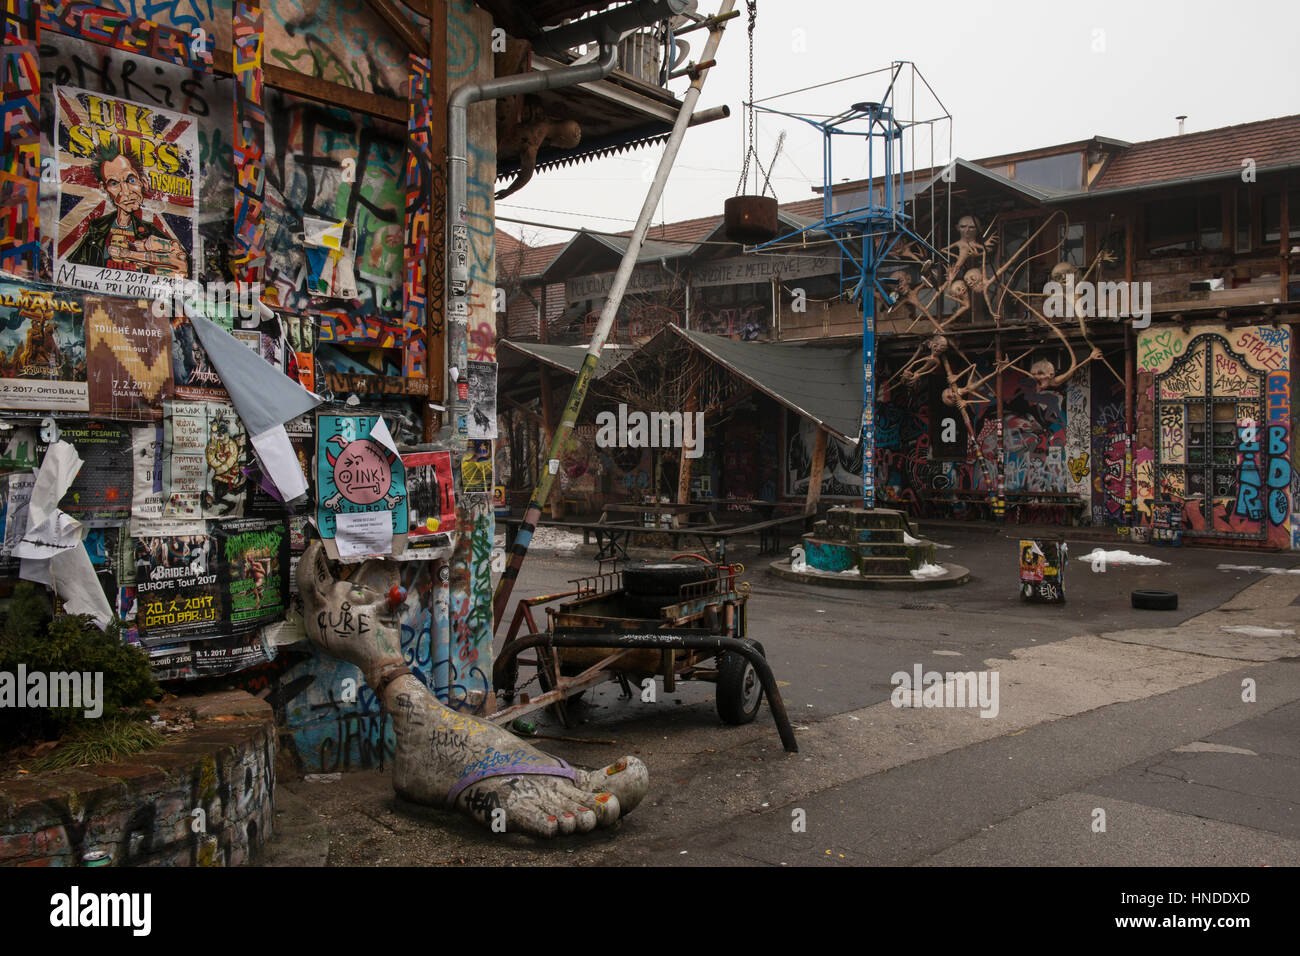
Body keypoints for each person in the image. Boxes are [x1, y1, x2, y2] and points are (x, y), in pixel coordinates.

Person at [66, 147, 188, 276]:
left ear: (143, 182)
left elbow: (180, 263)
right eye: (114, 183)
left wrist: (177, 269)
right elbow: (72, 270)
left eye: (131, 180)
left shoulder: (151, 232)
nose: (125, 191)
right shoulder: (97, 228)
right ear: (104, 188)